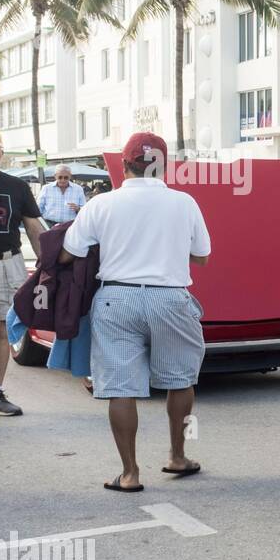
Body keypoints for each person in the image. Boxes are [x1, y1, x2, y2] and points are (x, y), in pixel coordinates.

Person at [58, 132, 211, 491]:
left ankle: (130, 473)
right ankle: (177, 455)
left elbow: (69, 252)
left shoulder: (101, 204)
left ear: (124, 165)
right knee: (181, 380)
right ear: (162, 166)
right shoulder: (184, 202)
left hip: (117, 299)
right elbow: (202, 256)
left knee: (121, 389)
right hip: (170, 299)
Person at [0, 126, 45, 417]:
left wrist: (47, 263)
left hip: (5, 263)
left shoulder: (17, 186)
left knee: (0, 328)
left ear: (1, 153)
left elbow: (33, 226)